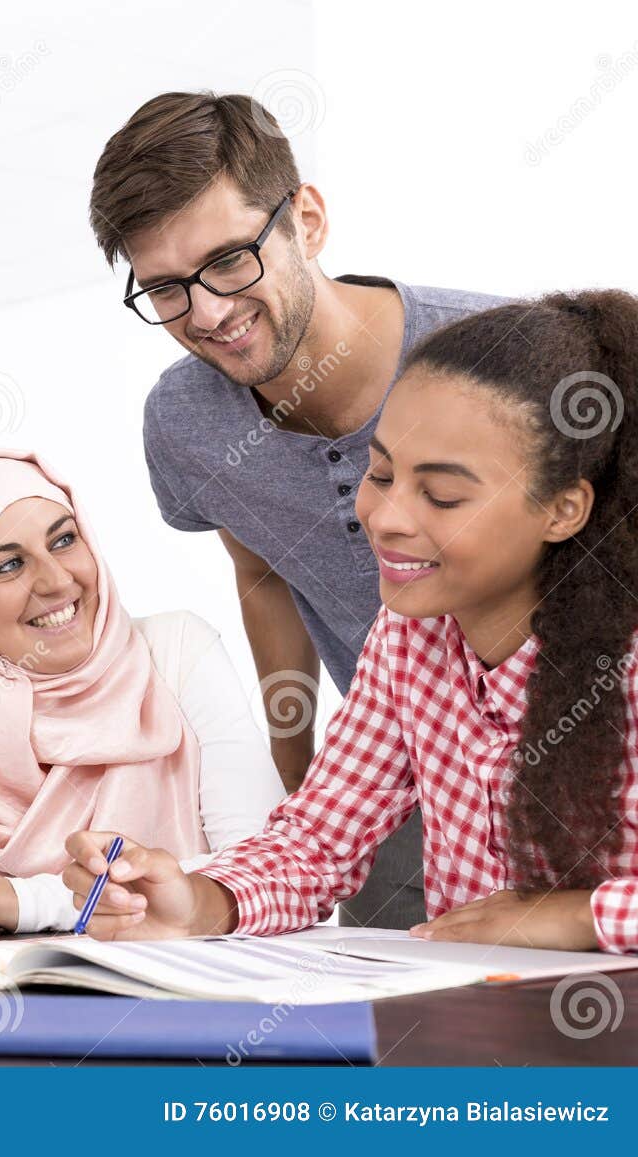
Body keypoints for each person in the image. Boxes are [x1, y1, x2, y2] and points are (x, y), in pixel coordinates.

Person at [63, 291, 638, 954]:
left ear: (563, 509)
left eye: (443, 494)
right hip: (479, 1029)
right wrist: (197, 901)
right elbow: (317, 842)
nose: (387, 517)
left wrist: (580, 916)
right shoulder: (409, 640)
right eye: (382, 472)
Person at [90, 90, 505, 927]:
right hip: (387, 779)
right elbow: (265, 574)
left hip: (580, 783)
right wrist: (299, 777)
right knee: (402, 1035)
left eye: (230, 259)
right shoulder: (186, 424)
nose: (206, 312)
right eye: (165, 288)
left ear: (306, 221)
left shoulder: (496, 362)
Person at [0, 450, 283, 948]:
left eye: (64, 540)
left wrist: (22, 901)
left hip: (202, 1005)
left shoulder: (177, 653)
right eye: (8, 566)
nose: (58, 581)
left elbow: (261, 864)